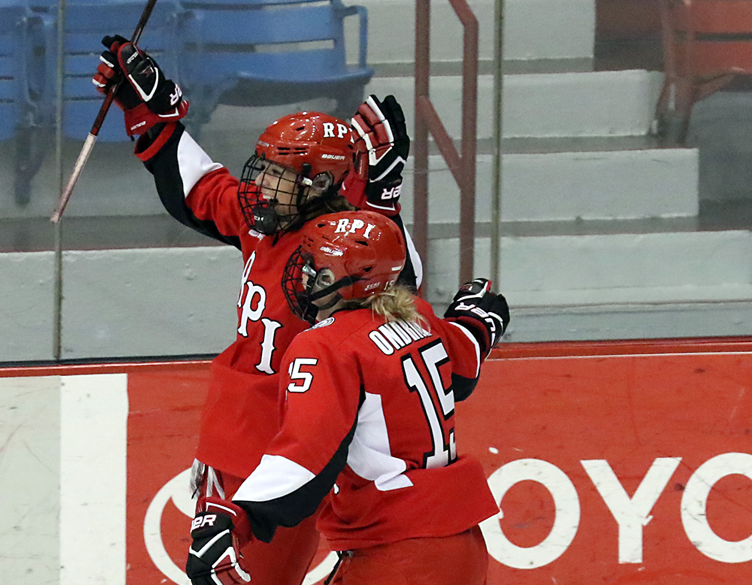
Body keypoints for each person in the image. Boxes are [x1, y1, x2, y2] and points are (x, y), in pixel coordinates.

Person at [92, 37, 421, 584]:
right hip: (231, 437)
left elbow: (399, 287)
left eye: (276, 173)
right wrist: (150, 109)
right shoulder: (261, 217)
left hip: (289, 452)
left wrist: (383, 194)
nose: (259, 183)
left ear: (319, 184)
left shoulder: (337, 247)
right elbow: (197, 190)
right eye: (262, 167)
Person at [183, 210, 510, 585]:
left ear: (357, 281)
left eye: (318, 272)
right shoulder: (416, 318)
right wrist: (478, 320)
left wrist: (232, 519)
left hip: (400, 557)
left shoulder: (326, 346)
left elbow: (307, 455)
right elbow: (465, 356)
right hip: (459, 549)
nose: (303, 280)